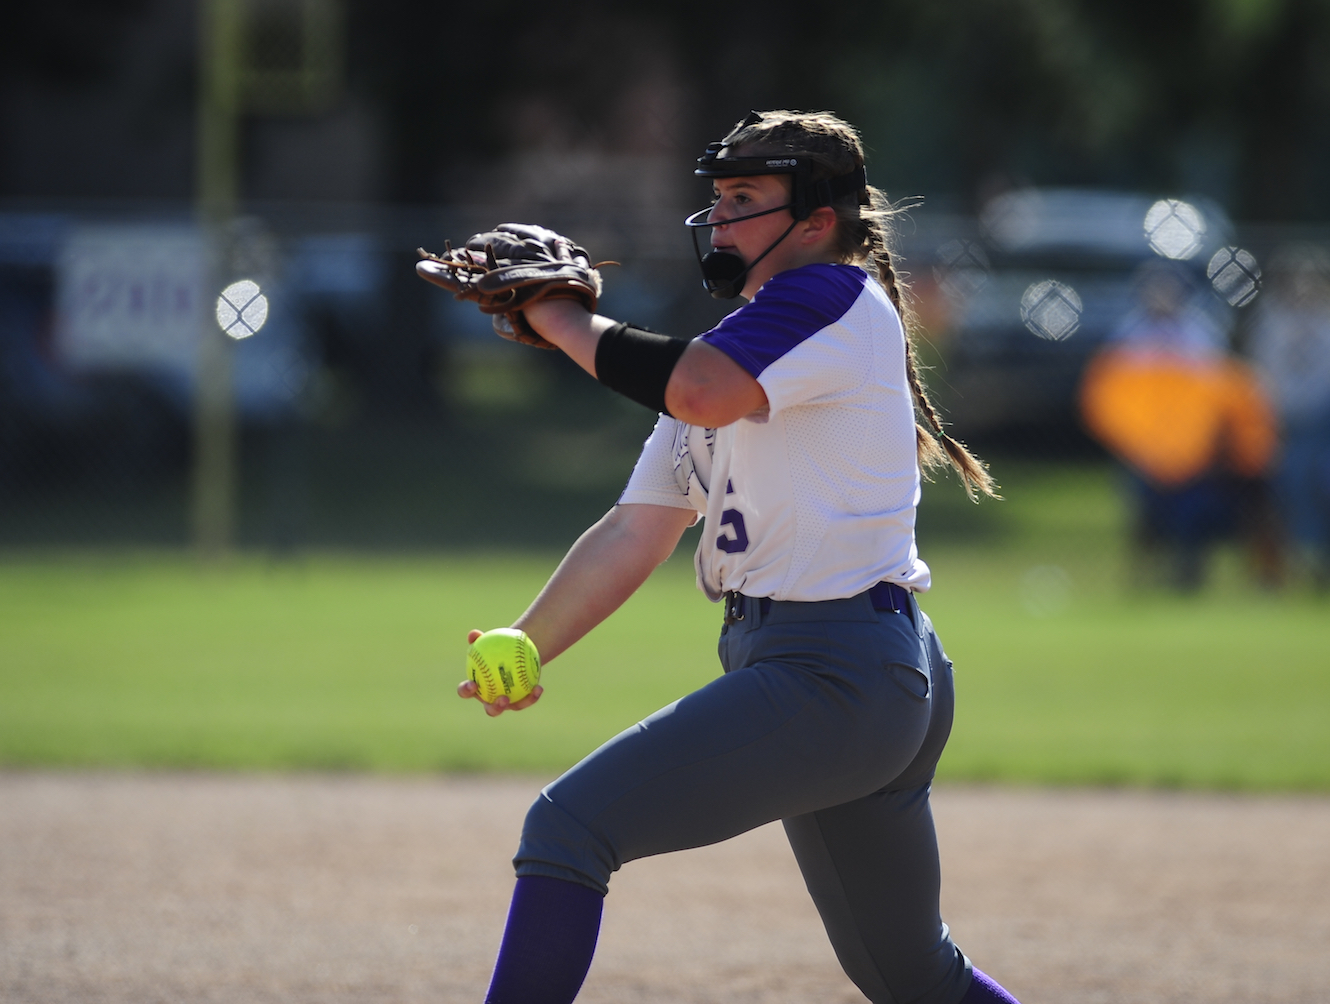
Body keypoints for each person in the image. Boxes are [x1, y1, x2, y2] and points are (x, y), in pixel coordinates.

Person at [452, 110, 1017, 1004]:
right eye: (717, 197)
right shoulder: (749, 343)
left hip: (832, 673)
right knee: (914, 976)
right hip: (857, 670)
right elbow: (635, 528)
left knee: (567, 830)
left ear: (818, 218)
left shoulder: (826, 295)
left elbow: (698, 390)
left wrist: (562, 320)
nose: (720, 219)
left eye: (747, 198)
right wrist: (527, 642)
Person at [1079, 259, 1280, 590]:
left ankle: (1190, 575)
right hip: (1143, 454)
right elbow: (1112, 401)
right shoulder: (1129, 337)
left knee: (1195, 515)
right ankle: (1142, 579)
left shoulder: (1201, 335)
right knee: (1144, 514)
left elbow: (1217, 399)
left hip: (1196, 458)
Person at [1248, 243, 1330, 588]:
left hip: (1323, 425)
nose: (1303, 290)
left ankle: (1320, 562)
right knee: (1283, 487)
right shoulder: (1270, 325)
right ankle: (1276, 570)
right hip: (1280, 425)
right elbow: (1260, 377)